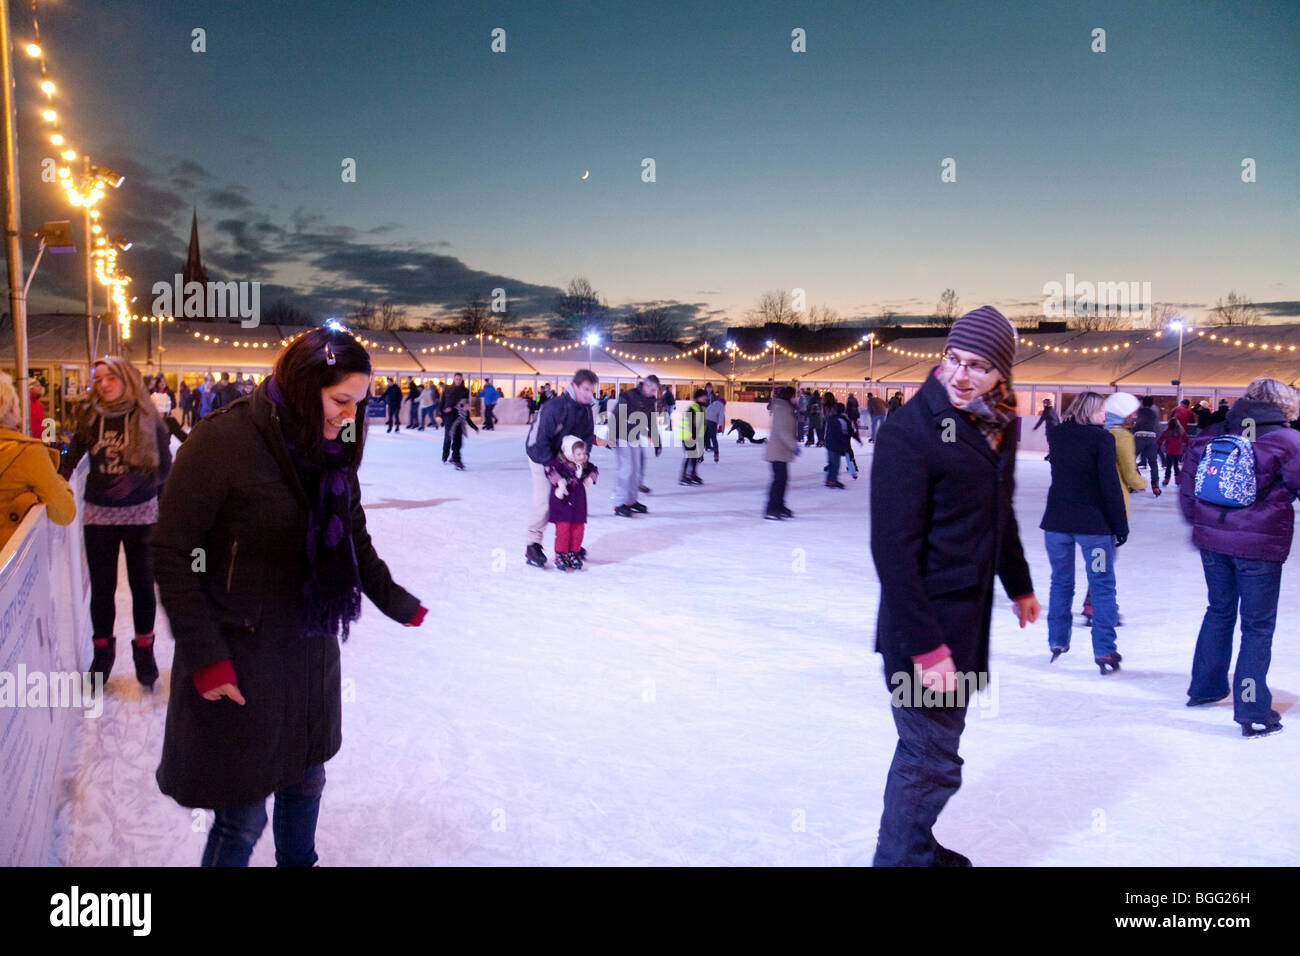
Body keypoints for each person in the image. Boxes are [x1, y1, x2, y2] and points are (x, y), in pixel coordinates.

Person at [153, 326, 427, 866]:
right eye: (341, 400)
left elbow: (351, 534)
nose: (350, 415)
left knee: (306, 780)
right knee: (243, 813)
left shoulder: (333, 447)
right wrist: (207, 657)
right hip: (242, 654)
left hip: (308, 646)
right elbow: (174, 553)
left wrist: (393, 598)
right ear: (305, 387)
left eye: (358, 402)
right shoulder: (222, 442)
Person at [870, 306, 1039, 867]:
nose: (961, 375)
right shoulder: (910, 431)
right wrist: (925, 648)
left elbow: (999, 511)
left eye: (979, 365)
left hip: (966, 624)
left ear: (1001, 374)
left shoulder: (997, 425)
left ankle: (915, 846)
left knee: (937, 749)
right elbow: (892, 552)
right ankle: (900, 859)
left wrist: (1019, 584)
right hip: (922, 628)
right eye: (954, 359)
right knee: (929, 758)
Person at [1179, 378, 1300, 738]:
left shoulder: (1213, 432)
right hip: (1259, 545)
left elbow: (1188, 488)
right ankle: (1251, 708)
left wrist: (1206, 524)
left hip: (1213, 541)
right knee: (1257, 625)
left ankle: (1205, 688)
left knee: (1219, 611)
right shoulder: (1287, 440)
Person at [61, 356, 172, 689]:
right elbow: (71, 457)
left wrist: (138, 480)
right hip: (100, 512)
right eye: (98, 379)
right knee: (102, 587)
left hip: (141, 513)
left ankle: (144, 651)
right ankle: (102, 653)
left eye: (111, 378)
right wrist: (52, 481)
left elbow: (165, 468)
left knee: (142, 585)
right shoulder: (90, 417)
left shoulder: (148, 417)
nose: (104, 385)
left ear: (125, 379)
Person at [1039, 392, 1129, 672]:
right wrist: (1120, 525)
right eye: (1102, 410)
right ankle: (1105, 650)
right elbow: (1109, 484)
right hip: (1093, 529)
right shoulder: (1102, 439)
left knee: (1060, 582)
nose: (1105, 415)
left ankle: (1057, 640)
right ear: (1089, 410)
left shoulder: (1057, 435)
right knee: (1102, 585)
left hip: (1057, 525)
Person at [524, 370, 600, 568]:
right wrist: (554, 470)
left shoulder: (586, 411)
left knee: (571, 498)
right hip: (540, 454)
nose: (588, 394)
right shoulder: (556, 407)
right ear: (574, 386)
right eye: (585, 389)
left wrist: (582, 464)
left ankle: (569, 545)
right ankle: (532, 544)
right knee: (545, 499)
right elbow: (541, 440)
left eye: (591, 390)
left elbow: (585, 441)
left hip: (565, 457)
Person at [0, 372, 75, 549]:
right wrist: (56, 479)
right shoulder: (27, 454)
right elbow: (65, 512)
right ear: (12, 408)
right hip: (11, 557)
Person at [545, 435, 598, 571]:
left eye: (583, 453)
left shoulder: (583, 465)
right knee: (563, 530)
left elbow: (594, 470)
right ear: (569, 453)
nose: (582, 456)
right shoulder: (559, 464)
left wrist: (590, 479)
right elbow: (549, 470)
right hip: (563, 503)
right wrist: (560, 482)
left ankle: (573, 552)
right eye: (578, 454)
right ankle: (561, 554)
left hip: (578, 503)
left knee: (578, 529)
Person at [610, 376, 660, 517]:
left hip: (634, 436)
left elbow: (651, 422)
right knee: (626, 469)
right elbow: (616, 414)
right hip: (620, 435)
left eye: (655, 390)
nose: (653, 392)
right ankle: (619, 504)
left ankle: (631, 501)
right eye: (652, 389)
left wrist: (657, 442)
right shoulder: (629, 396)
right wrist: (612, 436)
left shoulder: (650, 401)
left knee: (636, 469)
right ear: (645, 385)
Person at [763, 386, 798, 519]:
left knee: (782, 480)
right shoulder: (783, 410)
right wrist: (794, 446)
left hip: (781, 451)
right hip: (778, 450)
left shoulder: (785, 408)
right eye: (794, 396)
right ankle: (772, 509)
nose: (796, 399)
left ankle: (779, 506)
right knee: (779, 481)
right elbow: (783, 431)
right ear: (790, 396)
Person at [679, 389, 707, 486]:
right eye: (704, 396)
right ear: (698, 397)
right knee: (690, 455)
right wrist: (694, 435)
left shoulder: (702, 408)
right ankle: (683, 477)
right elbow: (690, 422)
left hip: (696, 436)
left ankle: (692, 475)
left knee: (695, 457)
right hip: (688, 436)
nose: (706, 397)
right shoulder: (693, 407)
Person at [440, 372, 470, 460]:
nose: (458, 381)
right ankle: (445, 454)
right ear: (454, 379)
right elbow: (442, 401)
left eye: (460, 379)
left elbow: (465, 403)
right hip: (448, 415)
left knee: (458, 437)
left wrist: (466, 407)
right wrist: (441, 411)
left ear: (462, 380)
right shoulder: (447, 389)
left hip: (458, 415)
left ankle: (454, 456)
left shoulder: (465, 391)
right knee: (448, 435)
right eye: (457, 379)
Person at [445, 396, 479, 469]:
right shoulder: (455, 411)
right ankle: (457, 461)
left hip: (460, 431)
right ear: (462, 405)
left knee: (459, 445)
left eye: (469, 406)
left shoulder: (466, 412)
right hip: (454, 430)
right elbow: (449, 420)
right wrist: (446, 412)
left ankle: (454, 457)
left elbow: (469, 421)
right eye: (467, 406)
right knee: (456, 446)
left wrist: (475, 427)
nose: (468, 407)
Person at [823, 400, 852, 488]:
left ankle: (829, 480)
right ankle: (832, 481)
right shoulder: (841, 420)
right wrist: (846, 446)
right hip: (835, 445)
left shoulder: (831, 418)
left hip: (829, 443)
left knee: (832, 463)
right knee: (836, 464)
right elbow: (841, 434)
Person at [1133, 395, 1160, 483]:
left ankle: (1138, 479)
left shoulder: (1140, 411)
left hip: (1140, 436)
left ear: (1143, 403)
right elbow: (1156, 426)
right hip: (1151, 436)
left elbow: (1138, 423)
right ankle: (1155, 484)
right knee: (1153, 462)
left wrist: (1133, 431)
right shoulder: (1154, 413)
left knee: (1131, 459)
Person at [1157, 417, 1188, 486]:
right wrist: (1189, 447)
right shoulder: (1181, 432)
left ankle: (1167, 479)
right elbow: (1187, 440)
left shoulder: (1167, 432)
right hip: (1178, 452)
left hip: (1169, 451)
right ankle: (1178, 479)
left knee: (1169, 466)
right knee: (1176, 466)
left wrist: (1158, 446)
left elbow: (1160, 439)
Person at [704, 388, 725, 463]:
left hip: (706, 420)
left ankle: (700, 453)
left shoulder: (712, 404)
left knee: (705, 436)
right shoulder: (721, 406)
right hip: (712, 422)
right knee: (713, 438)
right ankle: (716, 454)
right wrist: (720, 426)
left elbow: (707, 411)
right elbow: (721, 416)